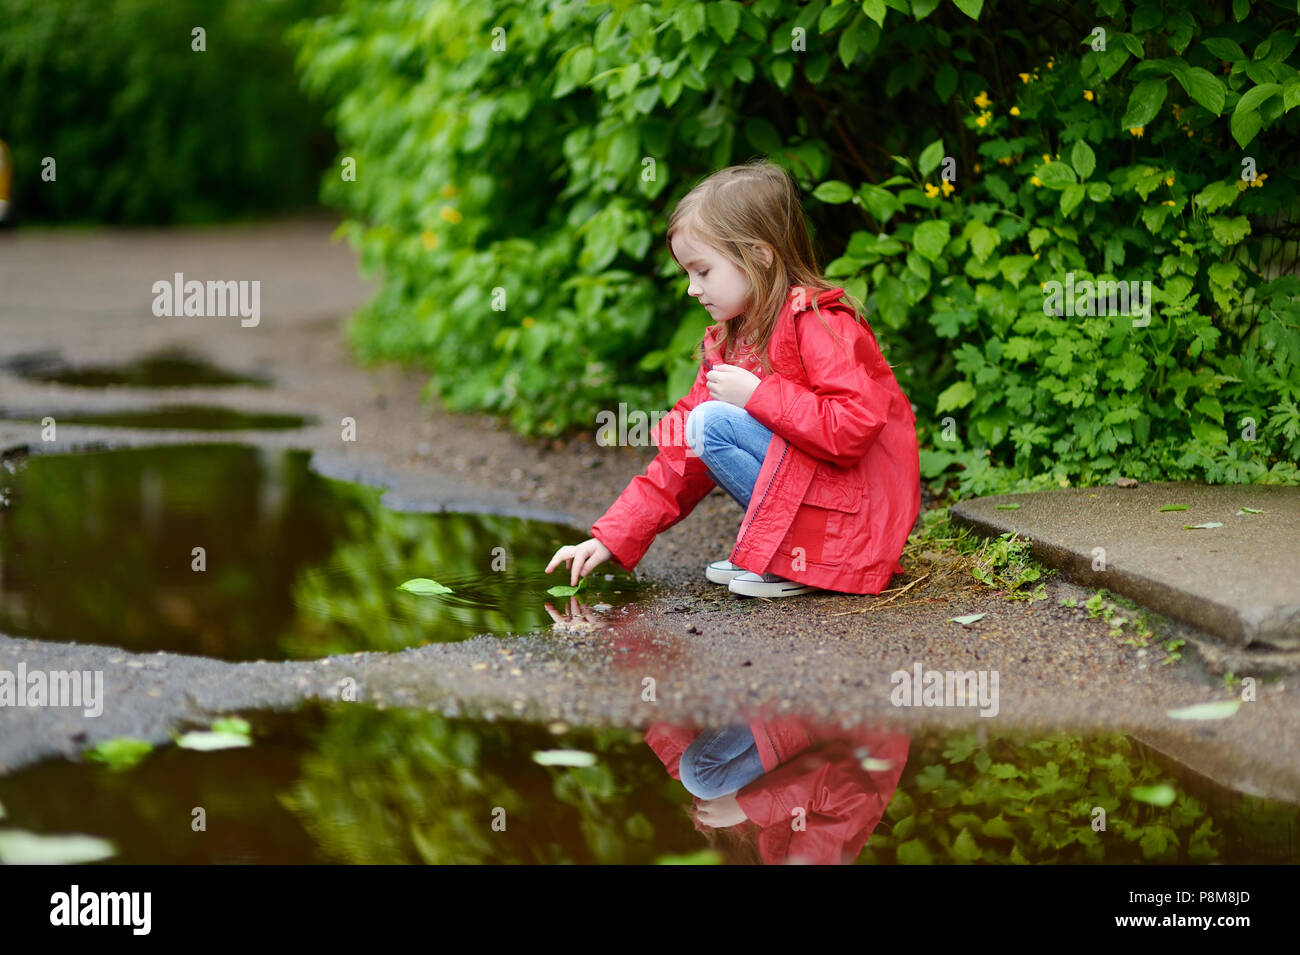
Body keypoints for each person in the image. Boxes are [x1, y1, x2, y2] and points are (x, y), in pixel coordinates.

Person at [546, 159, 919, 599]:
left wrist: (760, 396)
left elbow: (853, 427)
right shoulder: (731, 338)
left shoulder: (819, 323)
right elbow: (680, 453)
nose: (691, 288)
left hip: (853, 522)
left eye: (703, 271)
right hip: (821, 505)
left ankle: (795, 558)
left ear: (760, 256)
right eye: (687, 273)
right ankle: (779, 552)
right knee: (698, 427)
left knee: (712, 423)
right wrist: (612, 536)